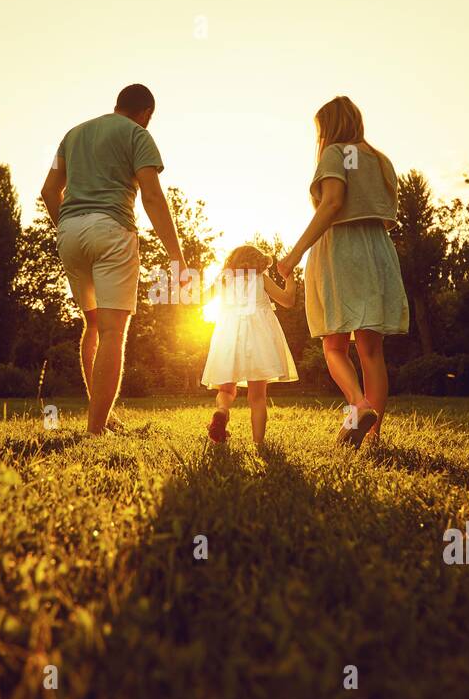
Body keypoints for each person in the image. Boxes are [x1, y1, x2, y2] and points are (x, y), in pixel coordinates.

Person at [42, 84, 186, 434]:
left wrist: (68, 228)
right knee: (112, 332)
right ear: (146, 113)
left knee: (92, 326)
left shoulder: (72, 135)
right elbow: (151, 196)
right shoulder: (137, 134)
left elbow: (48, 192)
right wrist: (177, 257)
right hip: (112, 230)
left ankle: (103, 417)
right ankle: (96, 430)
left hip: (70, 230)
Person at [276, 96, 409, 447]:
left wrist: (293, 254)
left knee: (333, 346)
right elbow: (385, 215)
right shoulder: (381, 161)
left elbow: (333, 202)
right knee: (371, 352)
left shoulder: (335, 153)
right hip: (377, 249)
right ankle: (371, 435)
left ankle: (358, 405)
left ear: (329, 126)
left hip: (340, 250)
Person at [200, 245, 298, 445]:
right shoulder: (261, 279)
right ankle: (258, 444)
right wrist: (290, 278)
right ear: (259, 263)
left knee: (226, 389)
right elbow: (288, 301)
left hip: (229, 338)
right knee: (257, 398)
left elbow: (201, 299)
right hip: (258, 341)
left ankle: (222, 410)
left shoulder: (225, 280)